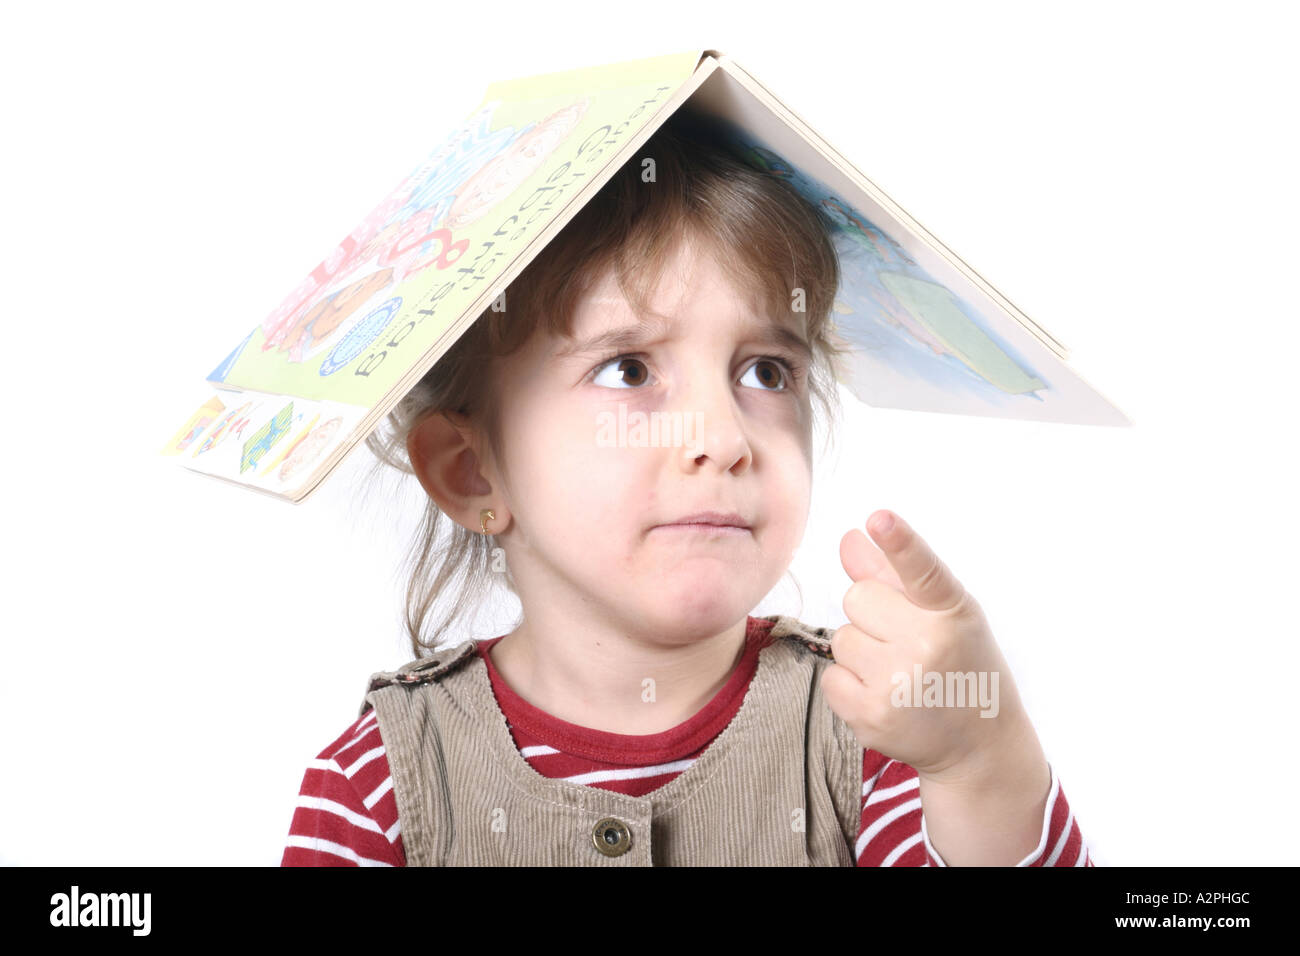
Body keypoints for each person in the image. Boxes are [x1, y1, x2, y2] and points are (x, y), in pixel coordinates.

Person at [281, 112, 1094, 867]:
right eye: (628, 369)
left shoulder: (870, 737)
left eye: (765, 372)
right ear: (471, 471)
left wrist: (982, 759)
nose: (723, 439)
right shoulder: (381, 785)